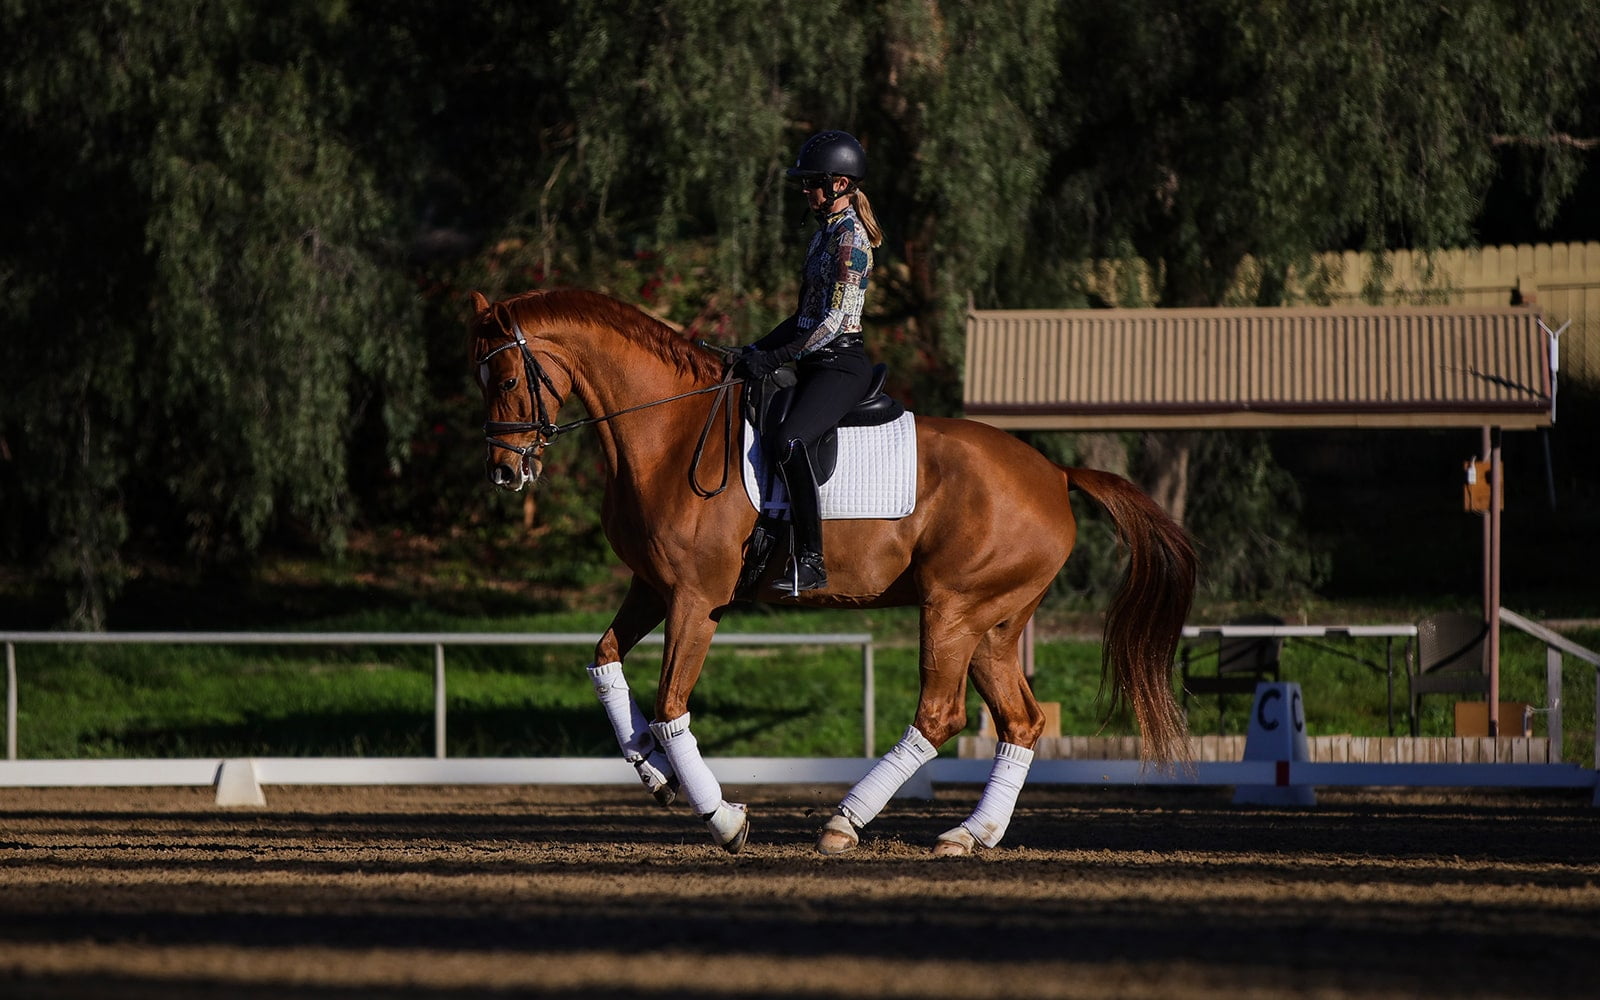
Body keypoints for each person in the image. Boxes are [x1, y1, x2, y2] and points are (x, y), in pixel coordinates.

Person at [734, 129, 884, 594]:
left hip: (841, 364)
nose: (805, 190)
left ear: (839, 184)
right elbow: (804, 316)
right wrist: (757, 350)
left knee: (791, 438)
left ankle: (811, 560)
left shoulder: (850, 242)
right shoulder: (823, 237)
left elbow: (836, 320)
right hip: (813, 359)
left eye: (812, 182)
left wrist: (779, 354)